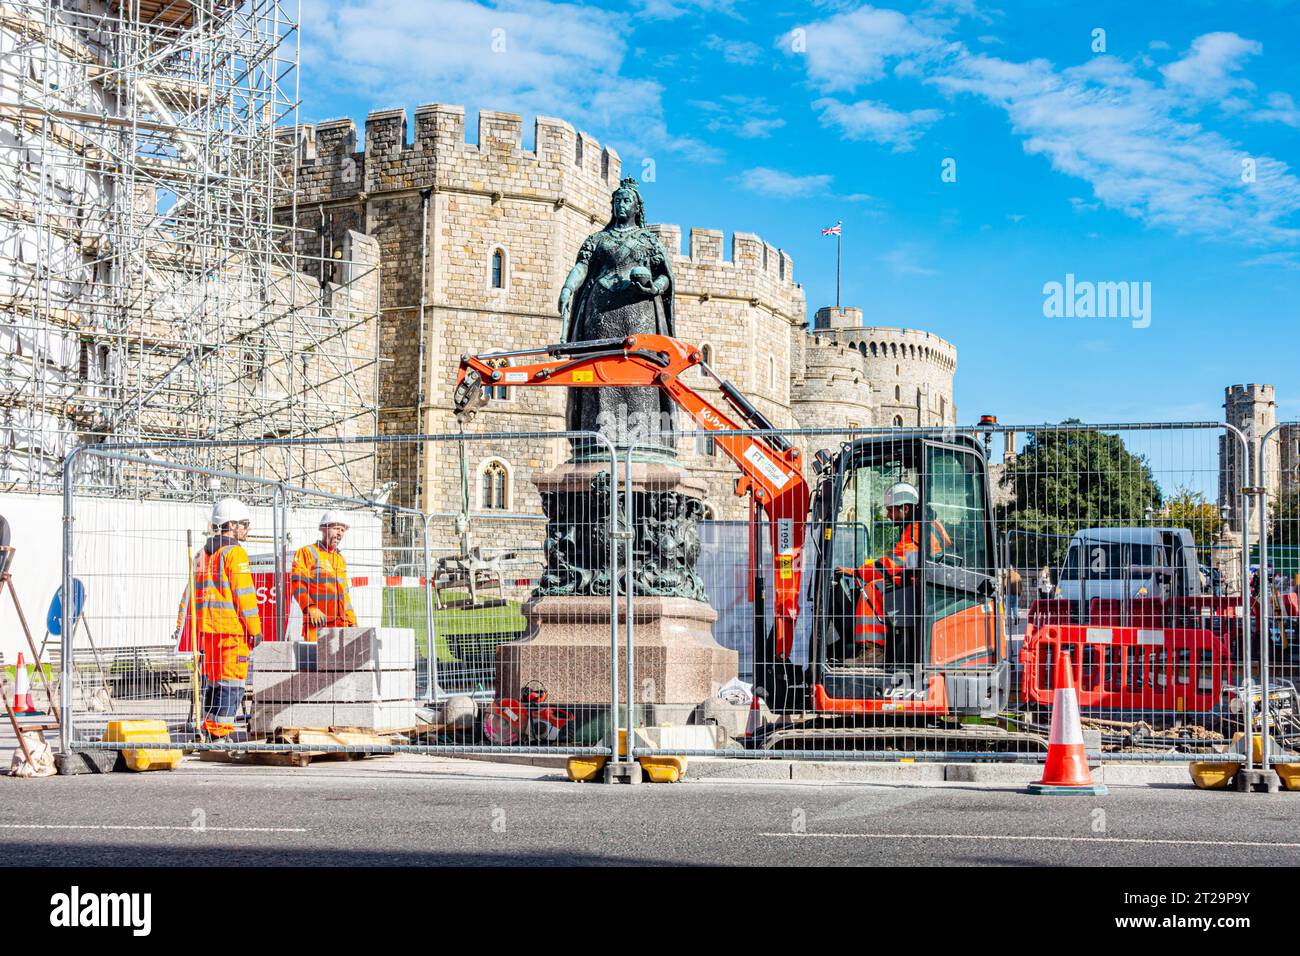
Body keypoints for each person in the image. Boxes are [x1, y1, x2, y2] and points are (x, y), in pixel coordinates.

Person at [836, 482, 952, 665]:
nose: (888, 515)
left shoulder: (916, 530)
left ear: (905, 508)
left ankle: (873, 649)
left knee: (872, 590)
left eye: (891, 510)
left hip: (922, 586)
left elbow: (893, 563)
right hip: (919, 581)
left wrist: (857, 572)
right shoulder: (918, 526)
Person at [175, 498, 262, 740]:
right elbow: (244, 595)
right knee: (232, 682)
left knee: (213, 681)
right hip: (232, 631)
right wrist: (255, 629)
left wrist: (181, 623)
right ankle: (220, 734)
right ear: (231, 525)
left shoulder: (202, 554)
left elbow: (189, 593)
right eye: (244, 524)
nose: (247, 529)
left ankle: (210, 729)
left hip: (208, 631)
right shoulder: (235, 553)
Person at [290, 510, 357, 642]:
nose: (339, 533)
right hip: (317, 624)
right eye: (336, 528)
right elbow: (298, 585)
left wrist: (352, 621)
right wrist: (310, 607)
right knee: (315, 662)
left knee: (340, 662)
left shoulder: (340, 559)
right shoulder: (307, 552)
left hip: (341, 626)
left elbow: (345, 595)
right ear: (324, 529)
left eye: (343, 530)